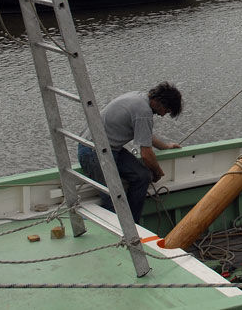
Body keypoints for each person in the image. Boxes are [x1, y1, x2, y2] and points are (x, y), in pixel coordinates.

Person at [77, 82, 182, 223]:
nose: (163, 115)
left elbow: (145, 134)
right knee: (114, 199)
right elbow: (146, 154)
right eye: (167, 111)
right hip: (92, 152)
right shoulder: (144, 112)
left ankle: (133, 224)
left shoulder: (139, 97)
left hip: (110, 149)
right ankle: (118, 233)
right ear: (160, 103)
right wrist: (157, 172)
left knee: (143, 176)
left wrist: (166, 147)